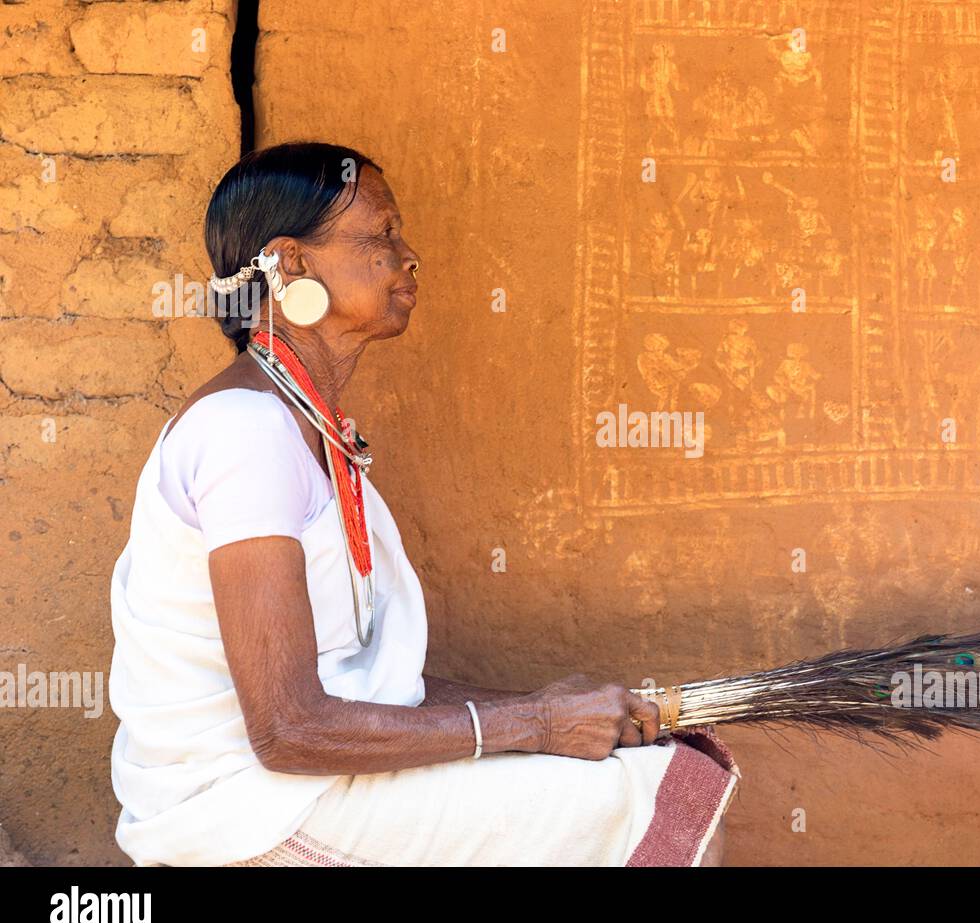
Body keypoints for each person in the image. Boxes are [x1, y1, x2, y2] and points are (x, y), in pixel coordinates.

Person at [107, 142, 739, 866]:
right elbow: (288, 729)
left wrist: (547, 709)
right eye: (380, 234)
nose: (408, 257)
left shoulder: (306, 427)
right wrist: (533, 723)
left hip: (300, 784)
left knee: (639, 775)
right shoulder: (245, 431)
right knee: (649, 798)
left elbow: (370, 685)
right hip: (245, 805)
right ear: (291, 266)